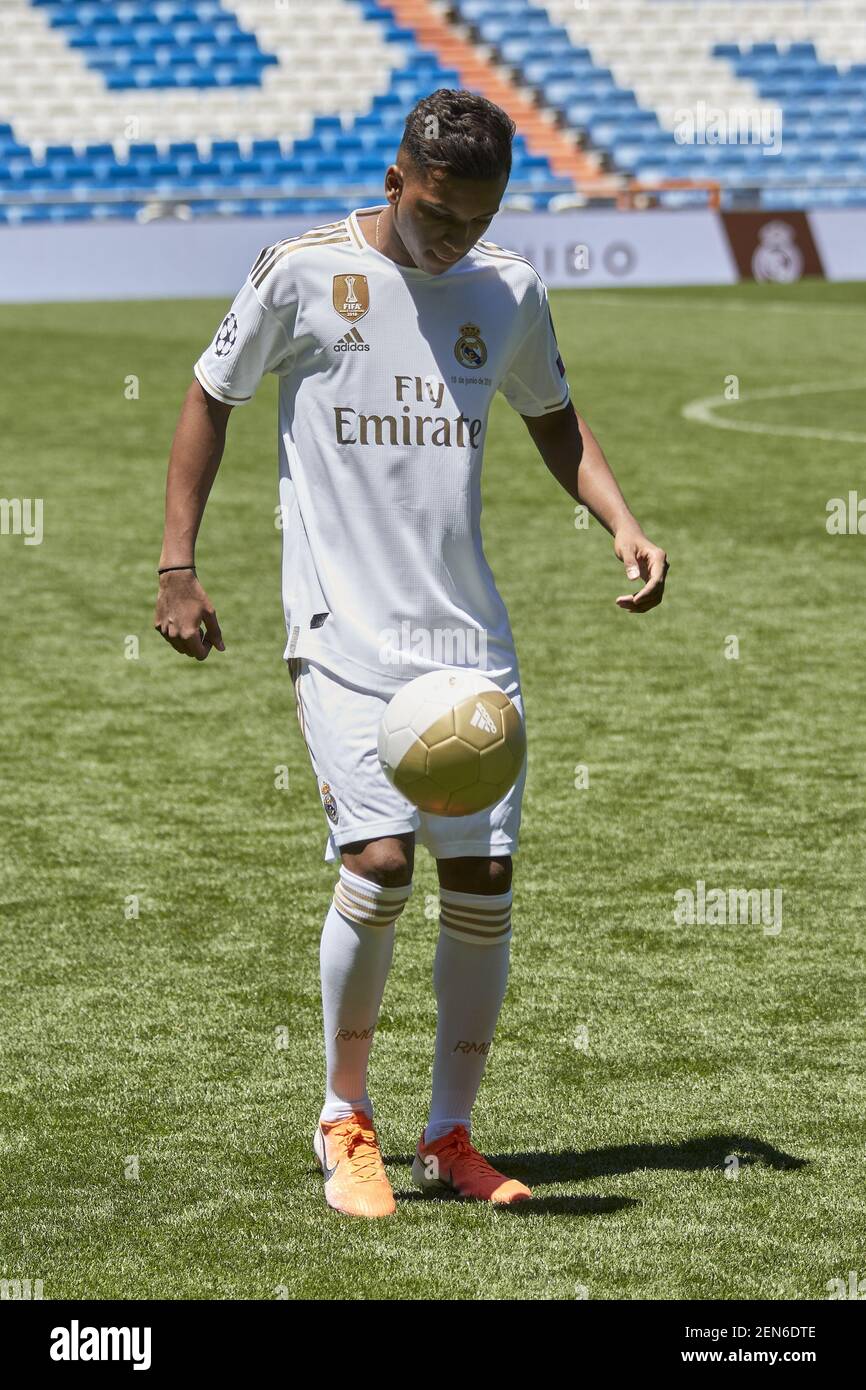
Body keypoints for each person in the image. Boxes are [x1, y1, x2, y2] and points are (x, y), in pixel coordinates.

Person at [154, 88, 669, 1218]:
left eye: (478, 218)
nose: (455, 239)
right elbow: (210, 391)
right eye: (438, 215)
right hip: (342, 634)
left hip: (466, 642)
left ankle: (449, 1132)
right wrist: (176, 564)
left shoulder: (508, 292)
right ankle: (344, 1116)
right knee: (380, 864)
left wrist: (619, 519)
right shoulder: (300, 270)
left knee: (481, 881)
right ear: (395, 184)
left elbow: (555, 419)